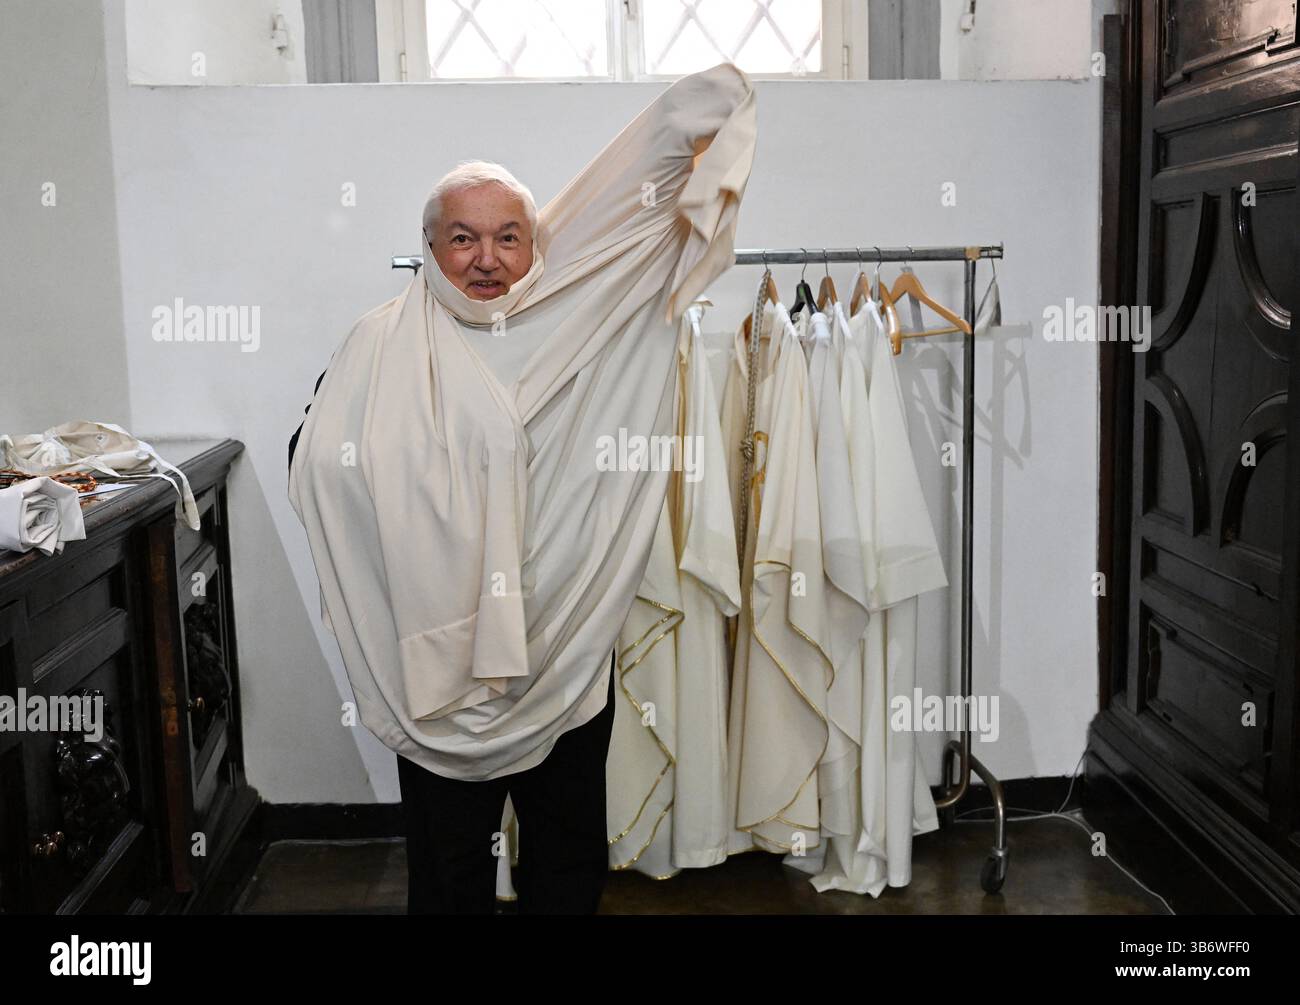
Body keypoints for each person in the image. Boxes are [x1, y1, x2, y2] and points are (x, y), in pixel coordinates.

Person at [287, 63, 756, 915]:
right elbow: (315, 460)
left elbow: (660, 179)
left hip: (565, 654)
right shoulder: (377, 345)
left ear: (536, 248)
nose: (488, 259)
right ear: (429, 249)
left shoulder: (580, 329)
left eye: (509, 237)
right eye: (463, 238)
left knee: (566, 862)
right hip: (437, 679)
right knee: (448, 873)